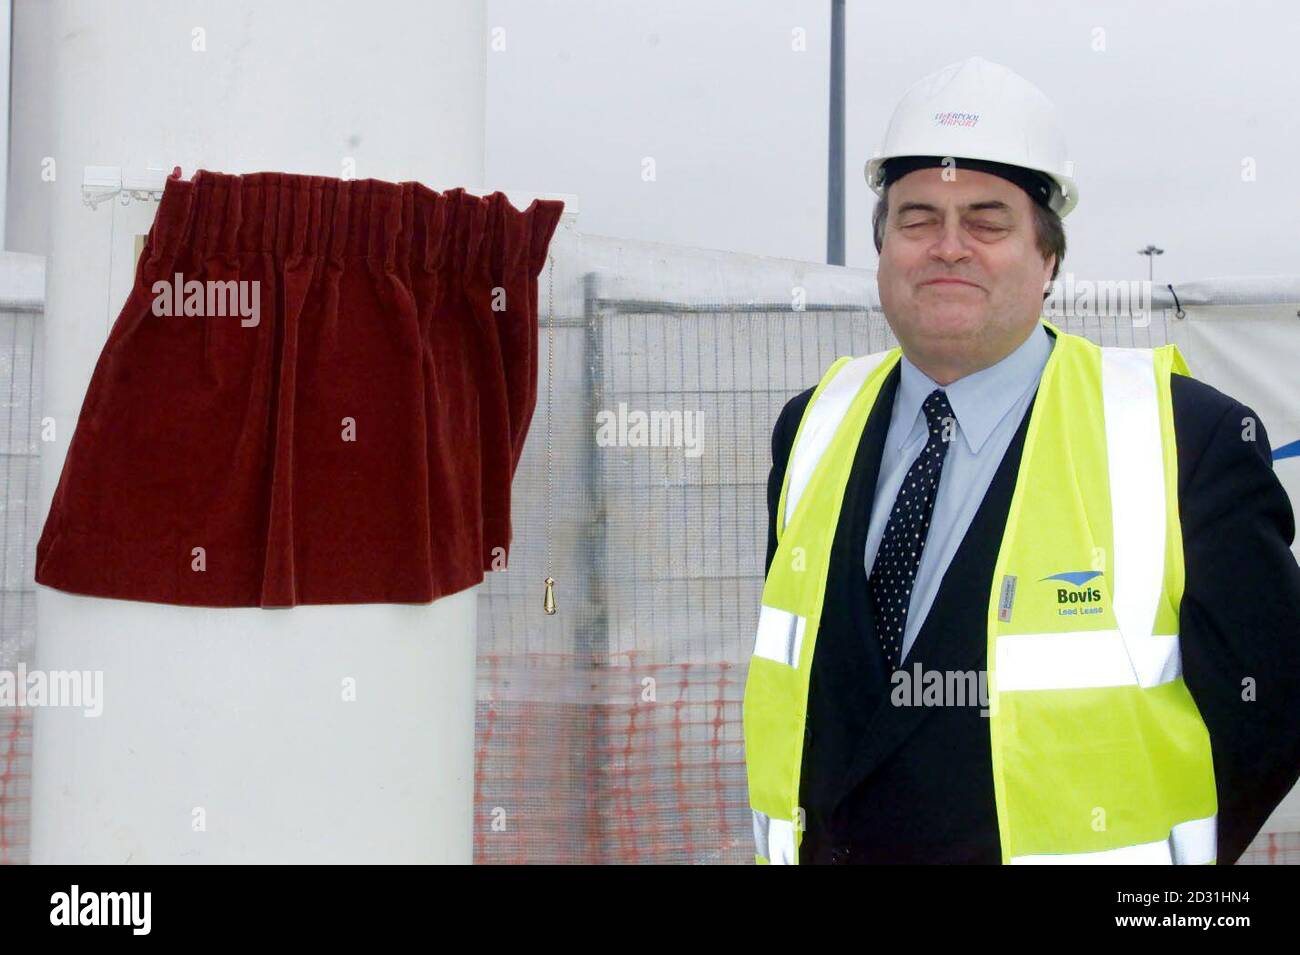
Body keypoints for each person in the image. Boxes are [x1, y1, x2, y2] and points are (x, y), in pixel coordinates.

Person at [742, 56, 1300, 864]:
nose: (949, 248)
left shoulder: (1185, 439)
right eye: (918, 218)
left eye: (988, 221)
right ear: (883, 250)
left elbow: (1273, 706)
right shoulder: (811, 428)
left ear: (1048, 259)